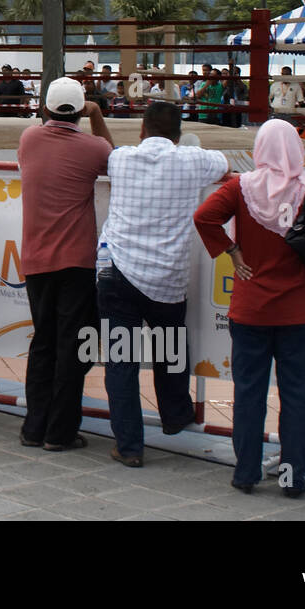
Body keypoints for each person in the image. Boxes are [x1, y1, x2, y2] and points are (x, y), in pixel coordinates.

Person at [194, 120, 305, 497]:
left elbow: (203, 217)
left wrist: (231, 249)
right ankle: (291, 479)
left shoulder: (240, 188)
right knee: (296, 396)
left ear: (261, 147)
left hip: (251, 311)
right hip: (300, 313)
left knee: (249, 393)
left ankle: (245, 473)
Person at [99, 101, 229, 467]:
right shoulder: (191, 160)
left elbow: (106, 151)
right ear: (178, 134)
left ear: (142, 129)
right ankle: (174, 416)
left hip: (117, 271)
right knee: (170, 347)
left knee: (120, 361)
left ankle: (129, 446)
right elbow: (225, 163)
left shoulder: (121, 158)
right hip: (166, 277)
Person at [17, 78, 113, 451]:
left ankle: (33, 427)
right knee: (73, 346)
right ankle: (59, 432)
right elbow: (114, 157)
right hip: (76, 261)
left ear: (45, 108)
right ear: (81, 109)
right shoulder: (92, 147)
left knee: (43, 342)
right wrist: (97, 115)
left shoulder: (29, 139)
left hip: (36, 259)